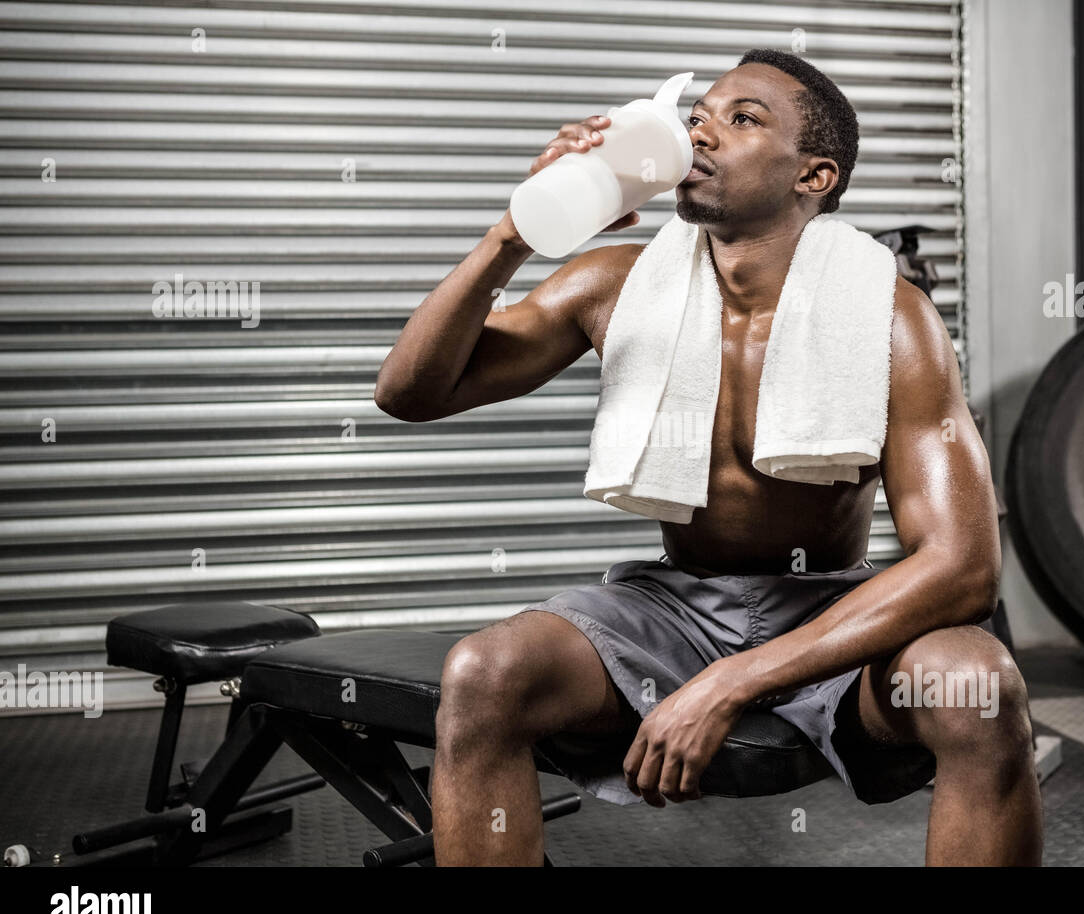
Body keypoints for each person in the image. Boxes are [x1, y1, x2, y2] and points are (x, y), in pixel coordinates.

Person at [375, 48, 1042, 867]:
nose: (701, 130)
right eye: (699, 116)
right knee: (483, 673)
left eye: (742, 118)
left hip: (832, 613)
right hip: (672, 609)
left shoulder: (891, 318)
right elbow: (409, 392)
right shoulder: (612, 284)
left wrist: (733, 681)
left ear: (815, 176)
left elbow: (963, 567)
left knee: (981, 691)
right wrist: (521, 228)